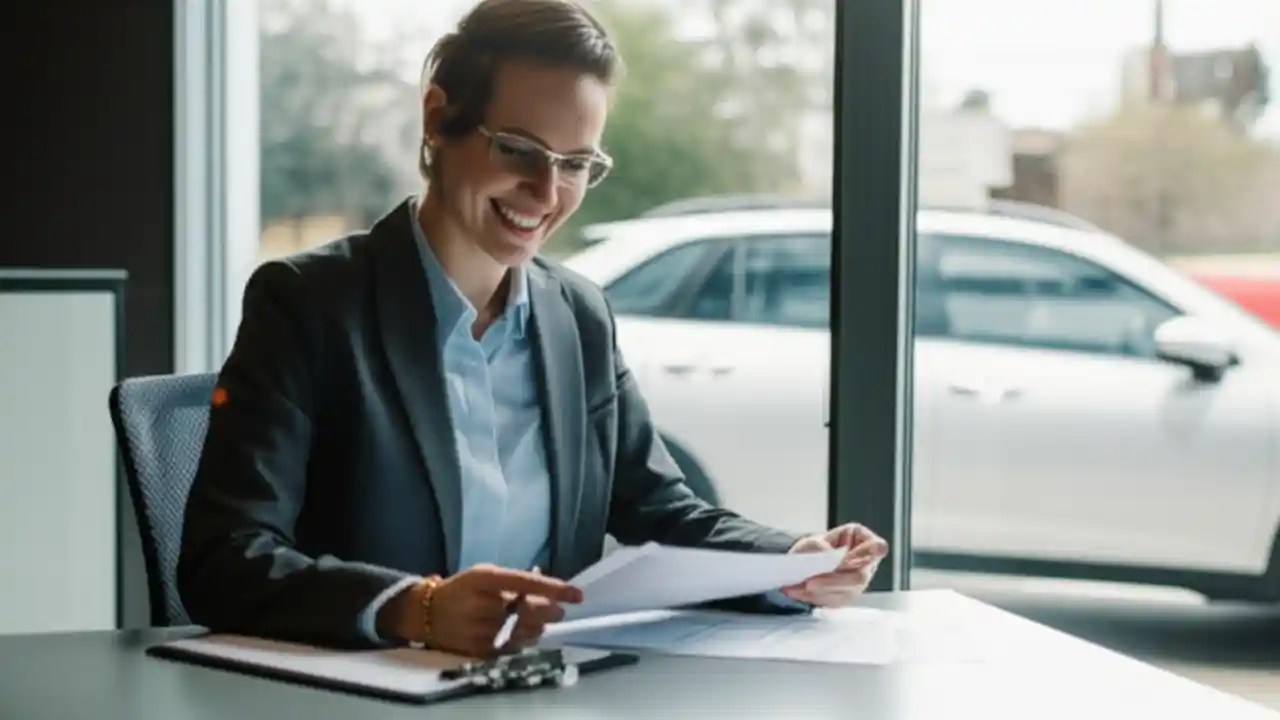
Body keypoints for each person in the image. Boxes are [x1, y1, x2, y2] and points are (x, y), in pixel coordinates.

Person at [178, 0, 888, 659]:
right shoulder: (309, 303)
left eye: (577, 164)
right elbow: (225, 558)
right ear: (437, 117)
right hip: (368, 691)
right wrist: (417, 608)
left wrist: (793, 561)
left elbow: (659, 508)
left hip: (538, 689)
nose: (548, 195)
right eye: (519, 149)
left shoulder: (576, 315)